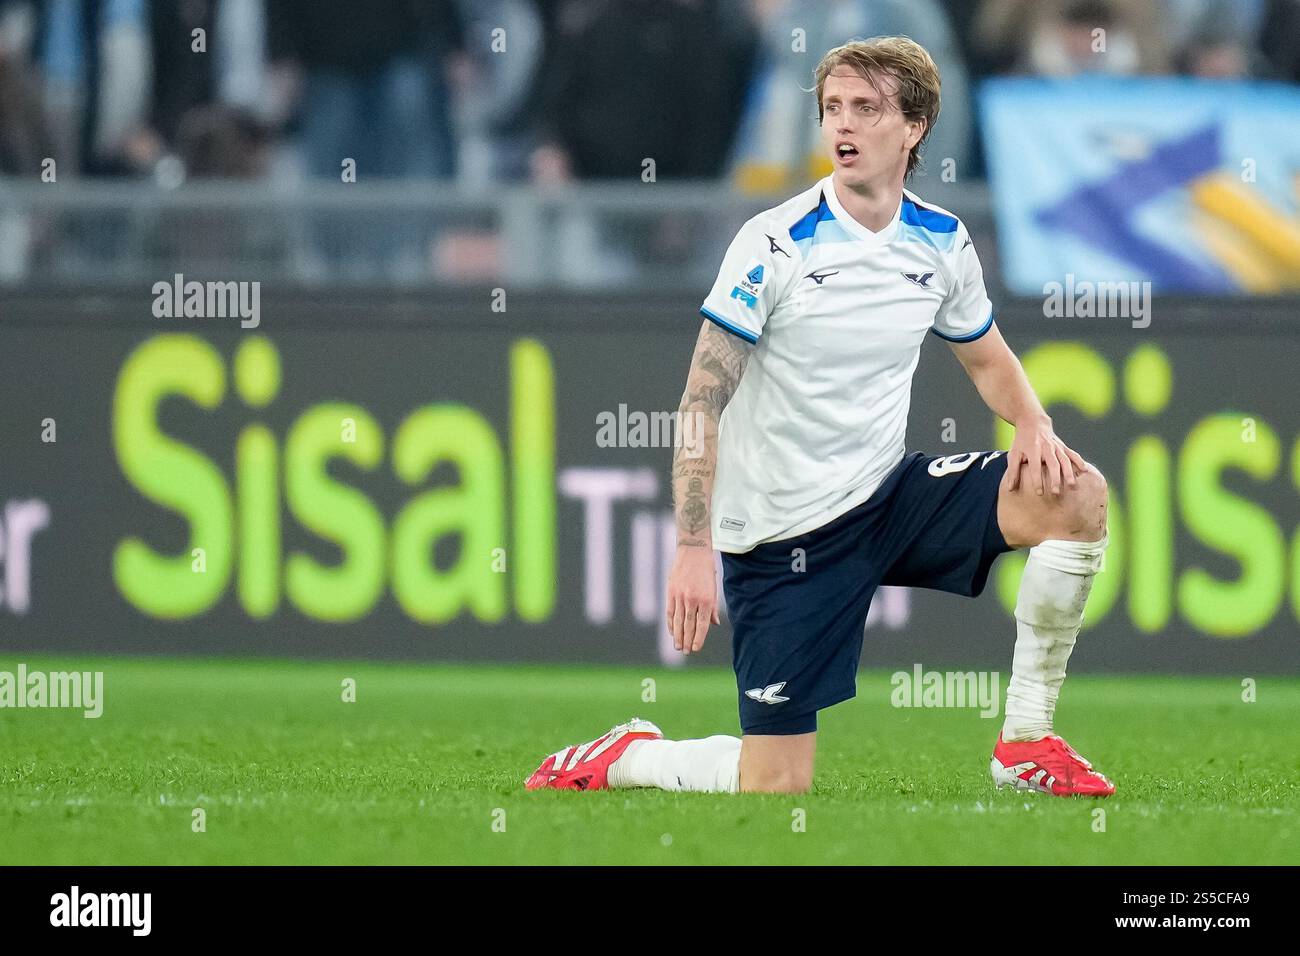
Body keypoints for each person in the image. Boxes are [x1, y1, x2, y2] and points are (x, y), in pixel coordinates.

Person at [525, 36, 1114, 797]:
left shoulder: (940, 240)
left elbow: (986, 356)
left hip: (885, 498)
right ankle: (629, 756)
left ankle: (1026, 744)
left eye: (866, 109)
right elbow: (702, 400)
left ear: (915, 127)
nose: (844, 126)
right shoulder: (773, 244)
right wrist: (693, 545)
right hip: (781, 535)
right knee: (775, 786)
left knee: (1078, 496)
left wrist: (1032, 422)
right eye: (833, 108)